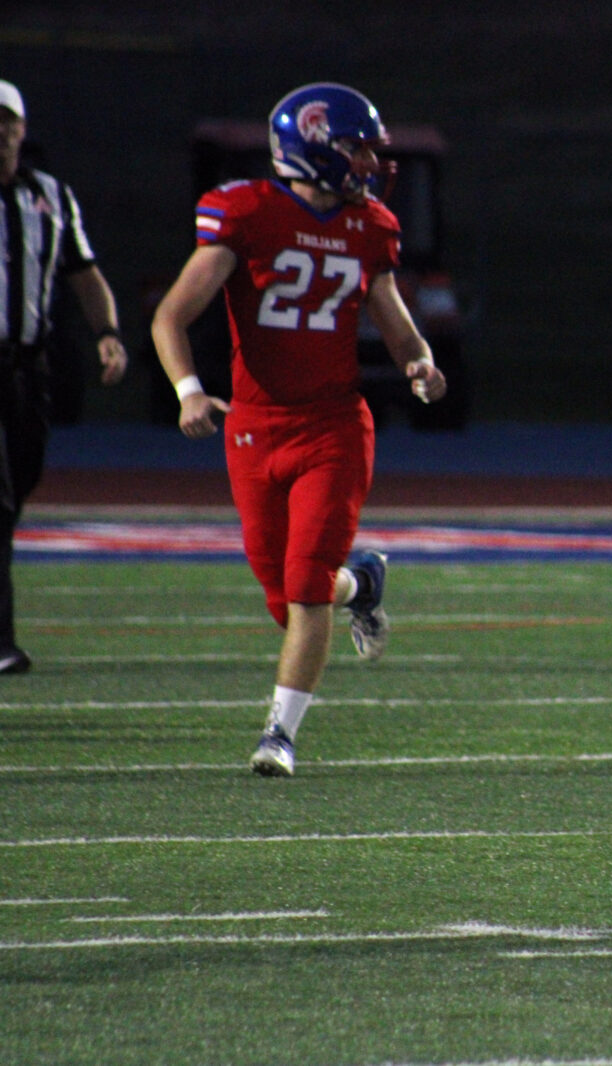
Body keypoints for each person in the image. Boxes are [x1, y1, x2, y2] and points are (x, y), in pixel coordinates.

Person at [151, 83, 445, 776]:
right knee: (286, 600)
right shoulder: (247, 212)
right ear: (314, 146)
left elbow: (394, 320)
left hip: (333, 426)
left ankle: (279, 735)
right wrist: (189, 392)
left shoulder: (369, 225)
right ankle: (362, 583)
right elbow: (171, 316)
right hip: (254, 428)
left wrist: (420, 362)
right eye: (357, 148)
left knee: (307, 586)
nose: (369, 163)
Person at [0, 79, 128, 674]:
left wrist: (108, 332)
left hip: (29, 367)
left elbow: (84, 272)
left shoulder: (49, 195)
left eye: (7, 121)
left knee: (19, 487)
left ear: (22, 129)